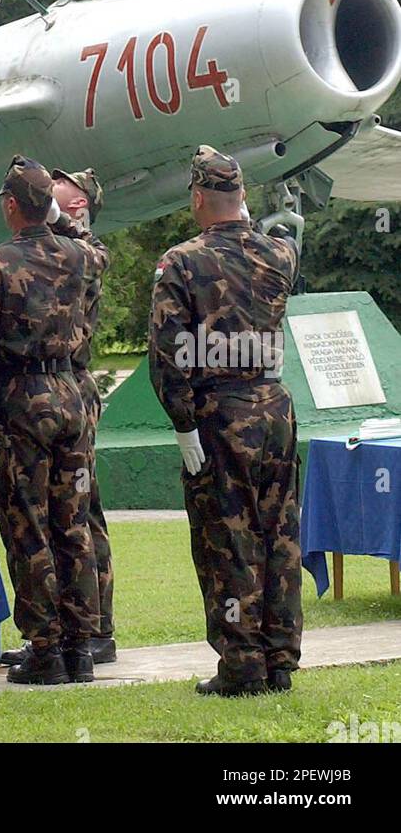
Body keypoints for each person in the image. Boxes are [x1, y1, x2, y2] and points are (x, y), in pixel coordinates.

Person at [149, 144, 302, 697]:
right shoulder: (279, 255)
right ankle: (280, 657)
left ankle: (241, 663)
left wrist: (182, 421)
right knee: (279, 533)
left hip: (219, 412)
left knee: (227, 538)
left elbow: (168, 352)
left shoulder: (183, 261)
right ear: (241, 195)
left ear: (197, 198)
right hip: (275, 406)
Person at [0, 155, 100, 685]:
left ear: (12, 206)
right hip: (71, 394)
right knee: (72, 523)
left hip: (21, 399)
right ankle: (81, 644)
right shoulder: (79, 257)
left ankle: (45, 647)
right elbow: (97, 249)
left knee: (28, 526)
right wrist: (63, 219)